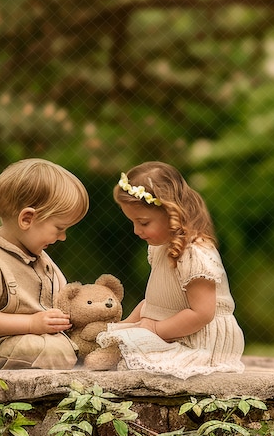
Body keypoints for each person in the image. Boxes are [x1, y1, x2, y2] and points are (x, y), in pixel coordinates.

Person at [97, 161, 245, 377]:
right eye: (133, 223)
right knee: (114, 336)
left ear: (171, 213)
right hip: (173, 330)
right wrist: (128, 323)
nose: (136, 231)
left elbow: (202, 314)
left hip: (200, 341)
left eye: (144, 223)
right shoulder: (160, 247)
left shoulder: (195, 254)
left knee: (130, 351)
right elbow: (155, 303)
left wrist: (155, 330)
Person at [0, 158, 88, 370]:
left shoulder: (43, 260)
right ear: (27, 218)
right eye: (59, 228)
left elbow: (63, 300)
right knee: (50, 350)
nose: (63, 237)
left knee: (82, 345)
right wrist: (31, 324)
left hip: (46, 342)